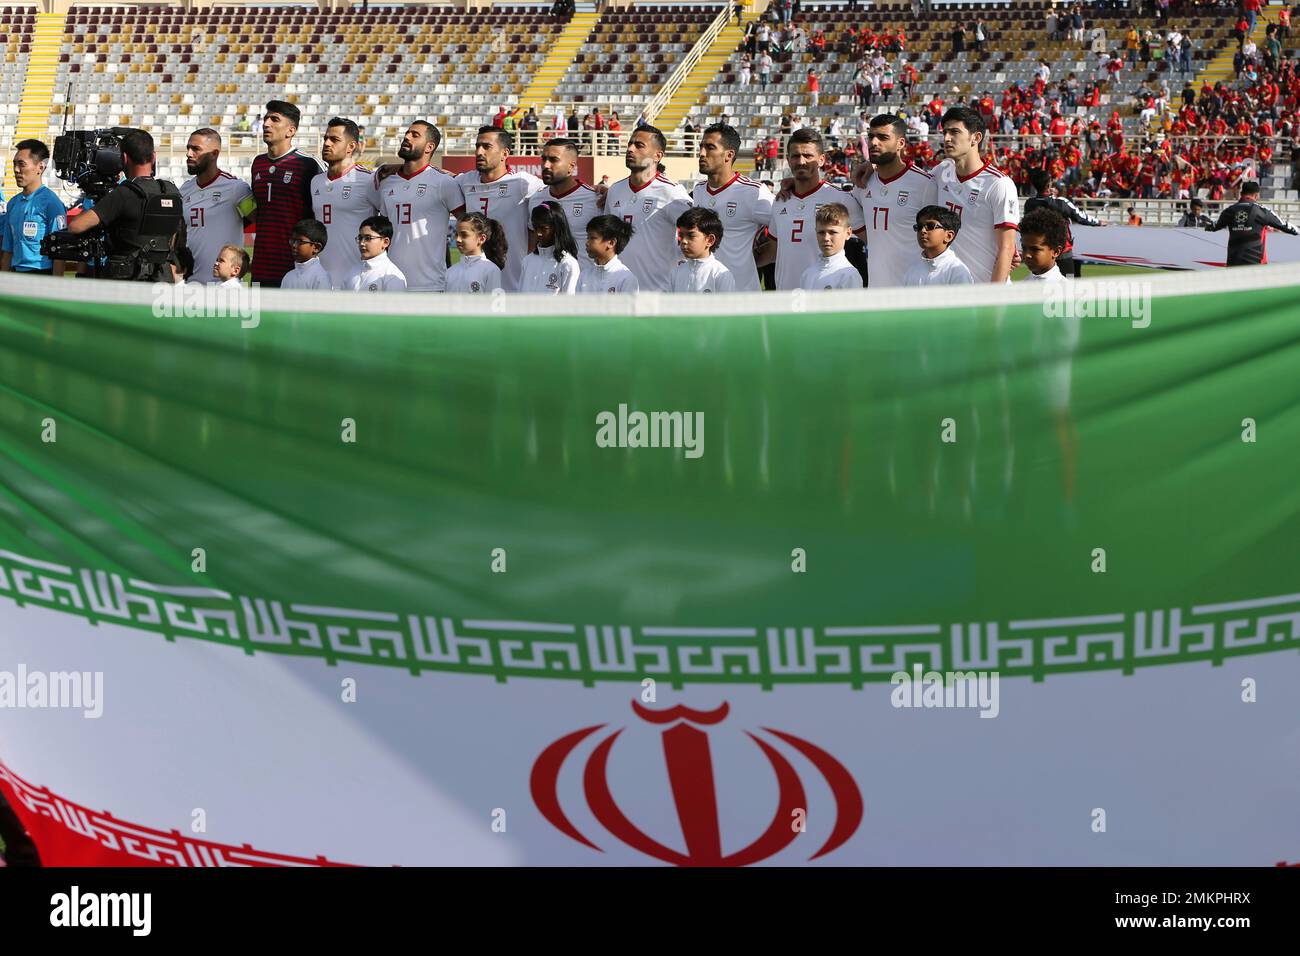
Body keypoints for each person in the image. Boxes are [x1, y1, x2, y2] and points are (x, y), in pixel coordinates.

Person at [64, 129, 184, 282]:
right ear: (153, 157)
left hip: (128, 279)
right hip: (162, 278)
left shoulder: (123, 194)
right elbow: (174, 238)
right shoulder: (171, 191)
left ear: (124, 158)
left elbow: (76, 226)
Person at [762, 127, 865, 290]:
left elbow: (871, 240)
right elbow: (774, 250)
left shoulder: (841, 198)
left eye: (808, 155)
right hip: (786, 301)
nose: (801, 161)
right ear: (788, 160)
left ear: (822, 160)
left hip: (823, 301)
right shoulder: (781, 200)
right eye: (796, 156)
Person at [850, 113, 938, 288]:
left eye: (883, 137)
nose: (874, 142)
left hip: (913, 291)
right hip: (877, 289)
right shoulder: (863, 183)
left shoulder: (924, 184)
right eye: (871, 137)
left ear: (901, 143)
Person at [932, 106, 1019, 283]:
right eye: (945, 132)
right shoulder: (941, 171)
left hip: (984, 290)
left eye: (954, 132)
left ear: (976, 138)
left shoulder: (999, 184)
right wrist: (874, 167)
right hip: (952, 292)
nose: (947, 138)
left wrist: (992, 300)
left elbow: (1007, 248)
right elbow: (909, 177)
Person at [602, 126, 694, 291]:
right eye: (630, 144)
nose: (630, 149)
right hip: (618, 293)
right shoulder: (615, 190)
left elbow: (698, 233)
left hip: (658, 296)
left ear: (657, 156)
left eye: (639, 145)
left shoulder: (671, 192)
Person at [377, 121, 464, 291]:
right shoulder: (387, 183)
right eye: (407, 133)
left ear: (429, 147)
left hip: (430, 285)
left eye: (415, 135)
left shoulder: (443, 182)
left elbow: (467, 222)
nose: (406, 137)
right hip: (391, 281)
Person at [458, 126, 546, 291]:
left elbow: (558, 191)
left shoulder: (523, 183)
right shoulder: (465, 181)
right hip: (474, 286)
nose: (479, 152)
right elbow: (437, 177)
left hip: (513, 284)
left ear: (505, 153)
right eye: (477, 146)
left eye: (486, 146)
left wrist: (600, 189)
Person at [247, 100, 321, 287]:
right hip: (261, 265)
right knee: (259, 316)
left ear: (291, 131)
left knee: (293, 317)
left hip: (294, 265)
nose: (266, 124)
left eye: (274, 119)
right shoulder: (258, 163)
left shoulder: (308, 164)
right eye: (265, 119)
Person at [691, 123, 773, 291]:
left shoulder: (753, 192)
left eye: (710, 147)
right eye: (701, 147)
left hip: (740, 297)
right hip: (704, 293)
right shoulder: (699, 190)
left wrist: (760, 257)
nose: (701, 153)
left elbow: (786, 225)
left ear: (729, 155)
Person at [310, 117, 378, 289]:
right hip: (321, 279)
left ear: (351, 146)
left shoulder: (368, 180)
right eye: (325, 138)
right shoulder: (315, 182)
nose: (326, 143)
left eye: (334, 139)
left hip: (356, 281)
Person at [179, 128, 252, 284]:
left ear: (214, 154)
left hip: (222, 286)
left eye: (196, 149)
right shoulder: (185, 190)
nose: (189, 154)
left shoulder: (236, 189)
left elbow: (257, 219)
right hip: (191, 283)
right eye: (188, 148)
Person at [1, 139, 68, 275]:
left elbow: (60, 252)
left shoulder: (52, 203)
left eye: (22, 164)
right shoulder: (13, 203)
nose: (16, 170)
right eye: (14, 164)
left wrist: (56, 289)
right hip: (15, 274)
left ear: (40, 167)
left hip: (41, 275)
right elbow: (8, 249)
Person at [530, 138, 598, 268]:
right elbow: (533, 246)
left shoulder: (595, 199)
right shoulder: (535, 200)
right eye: (544, 159)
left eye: (553, 160)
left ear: (571, 167)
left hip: (580, 285)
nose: (546, 165)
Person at [1023, 167, 1103, 278]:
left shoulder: (1029, 204)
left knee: (1041, 283)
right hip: (1063, 252)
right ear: (1049, 185)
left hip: (1041, 253)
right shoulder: (1060, 203)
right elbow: (1080, 217)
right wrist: (1098, 222)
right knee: (1069, 284)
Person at [1206, 180, 1299, 266]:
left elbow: (1212, 227)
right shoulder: (1261, 211)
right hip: (1255, 263)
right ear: (1256, 195)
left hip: (1233, 263)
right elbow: (1287, 227)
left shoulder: (1229, 211)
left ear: (1241, 193)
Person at [902, 205, 973, 286]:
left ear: (948, 236)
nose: (923, 231)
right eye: (919, 227)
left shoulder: (957, 271)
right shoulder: (912, 272)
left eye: (930, 226)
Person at [669, 207, 735, 293]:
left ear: (710, 240)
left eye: (691, 236)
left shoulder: (720, 274)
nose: (684, 241)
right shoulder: (676, 273)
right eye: (681, 236)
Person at [520, 201, 580, 293]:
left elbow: (569, 303)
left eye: (544, 229)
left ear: (557, 228)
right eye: (535, 228)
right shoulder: (527, 261)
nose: (538, 233)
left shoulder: (567, 263)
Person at [800, 203, 863, 289]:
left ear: (848, 233)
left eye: (832, 232)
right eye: (821, 232)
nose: (826, 238)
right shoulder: (807, 274)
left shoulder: (849, 275)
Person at [446, 212, 506, 293]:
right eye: (457, 234)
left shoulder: (491, 270)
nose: (458, 239)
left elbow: (495, 304)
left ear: (481, 239)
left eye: (464, 235)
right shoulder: (450, 272)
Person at [578, 215, 638, 293]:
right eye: (588, 237)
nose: (587, 243)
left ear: (611, 243)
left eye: (592, 238)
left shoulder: (626, 278)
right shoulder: (584, 275)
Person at [345, 215, 407, 290]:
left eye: (368, 238)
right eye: (360, 238)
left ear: (385, 242)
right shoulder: (352, 272)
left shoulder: (392, 276)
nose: (362, 243)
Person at [1017, 207, 1067, 282]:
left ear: (1056, 251)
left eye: (1035, 249)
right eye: (1024, 248)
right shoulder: (1023, 284)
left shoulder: (1065, 289)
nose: (1027, 255)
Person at [280, 218, 331, 290]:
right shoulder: (288, 277)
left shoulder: (321, 277)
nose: (294, 245)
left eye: (299, 242)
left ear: (316, 247)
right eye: (293, 241)